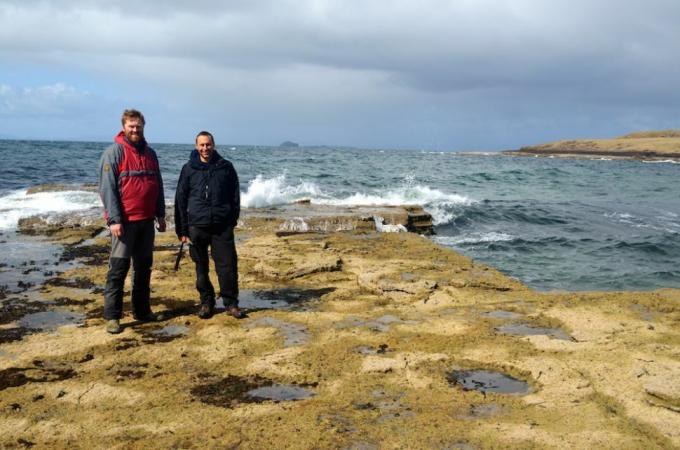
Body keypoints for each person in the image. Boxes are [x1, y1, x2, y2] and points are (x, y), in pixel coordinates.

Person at [98, 109, 166, 334]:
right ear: (124, 127)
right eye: (131, 126)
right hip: (124, 224)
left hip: (146, 222)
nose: (135, 130)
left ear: (143, 127)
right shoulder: (114, 153)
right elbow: (107, 189)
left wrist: (160, 214)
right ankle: (112, 317)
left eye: (138, 126)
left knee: (143, 268)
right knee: (118, 269)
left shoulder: (151, 154)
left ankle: (142, 310)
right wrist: (114, 220)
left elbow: (158, 185)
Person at [174, 131, 244, 319]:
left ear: (213, 145)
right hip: (197, 226)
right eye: (202, 145)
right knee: (201, 267)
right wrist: (181, 230)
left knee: (228, 266)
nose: (205, 148)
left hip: (222, 226)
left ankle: (231, 303)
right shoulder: (188, 169)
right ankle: (207, 302)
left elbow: (235, 196)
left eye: (208, 144)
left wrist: (232, 220)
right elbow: (180, 199)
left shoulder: (226, 167)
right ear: (196, 146)